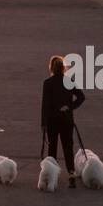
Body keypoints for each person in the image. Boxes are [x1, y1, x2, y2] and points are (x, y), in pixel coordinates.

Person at [41, 54, 85, 188]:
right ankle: (71, 174)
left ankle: (51, 176)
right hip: (67, 120)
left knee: (52, 149)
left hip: (52, 121)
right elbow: (81, 97)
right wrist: (70, 107)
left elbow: (45, 105)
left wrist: (43, 123)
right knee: (68, 148)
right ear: (63, 68)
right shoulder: (69, 81)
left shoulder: (47, 83)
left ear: (52, 68)